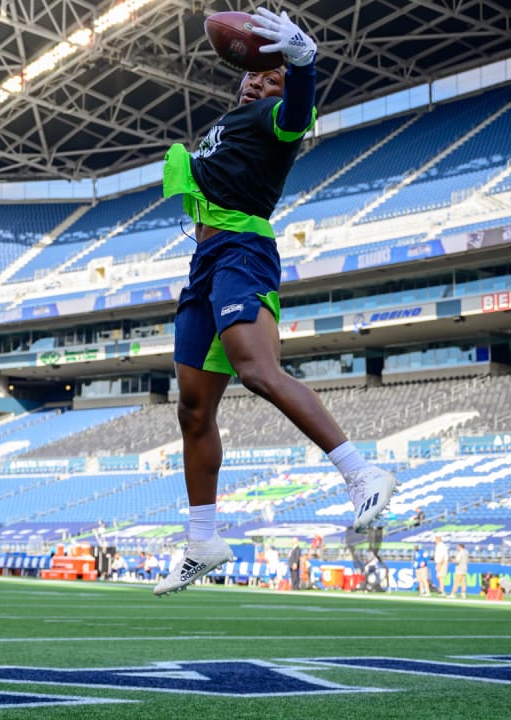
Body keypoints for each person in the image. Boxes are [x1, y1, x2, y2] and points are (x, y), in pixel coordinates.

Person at [153, 7, 395, 597]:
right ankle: (202, 540)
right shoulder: (229, 121)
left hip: (242, 252)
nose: (259, 81)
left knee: (257, 370)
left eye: (271, 76)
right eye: (255, 75)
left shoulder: (276, 118)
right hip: (204, 264)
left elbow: (296, 112)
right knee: (191, 410)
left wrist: (303, 63)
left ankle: (362, 474)